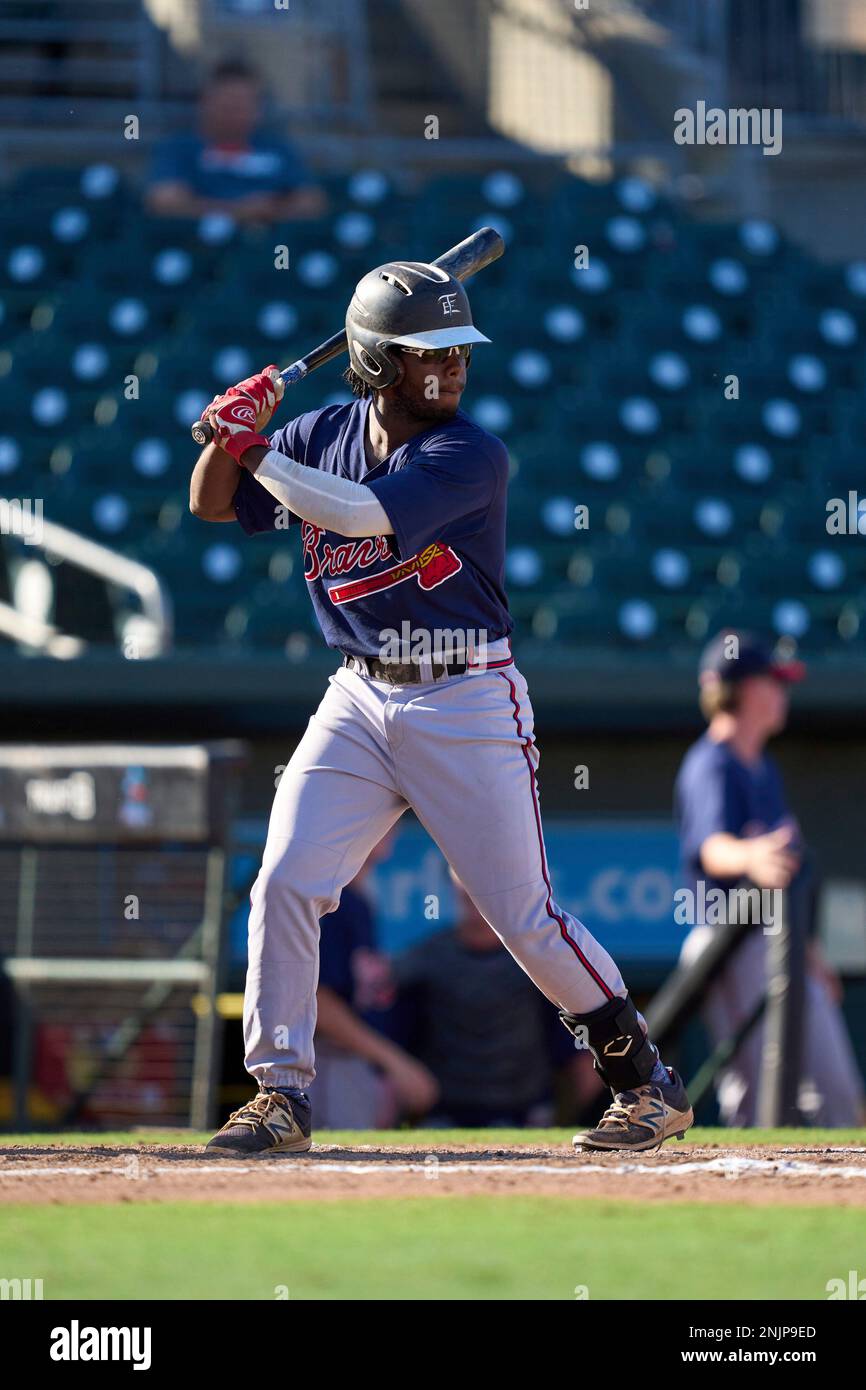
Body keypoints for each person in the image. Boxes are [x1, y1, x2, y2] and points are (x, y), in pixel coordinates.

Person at [190, 256, 693, 1155]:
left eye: (459, 350)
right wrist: (224, 437)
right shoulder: (319, 433)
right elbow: (212, 505)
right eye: (430, 352)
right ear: (377, 361)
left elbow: (355, 517)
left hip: (464, 696)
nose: (453, 367)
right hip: (357, 691)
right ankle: (280, 1093)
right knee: (285, 881)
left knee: (523, 917)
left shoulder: (470, 453)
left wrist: (252, 446)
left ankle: (645, 1083)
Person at [675, 630, 865, 1127]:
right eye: (772, 681)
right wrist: (752, 854)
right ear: (742, 688)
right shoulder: (710, 762)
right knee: (755, 1097)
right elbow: (711, 848)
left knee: (837, 1094)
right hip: (728, 943)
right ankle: (750, 1200)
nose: (782, 693)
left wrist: (811, 951)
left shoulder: (764, 768)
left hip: (780, 941)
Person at [392, 873, 595, 1127]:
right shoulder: (426, 958)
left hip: (524, 1112)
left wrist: (585, 1117)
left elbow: (576, 1051)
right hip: (444, 1113)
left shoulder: (536, 960)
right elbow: (394, 1047)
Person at [313, 837, 439, 1128]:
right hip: (326, 1062)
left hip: (352, 1065)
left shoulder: (359, 899)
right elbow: (319, 1003)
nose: (389, 825)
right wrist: (394, 1062)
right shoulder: (333, 898)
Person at [146, 59, 325, 223]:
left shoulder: (277, 148)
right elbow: (164, 202)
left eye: (243, 105)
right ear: (205, 103)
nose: (235, 114)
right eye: (227, 105)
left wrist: (269, 211)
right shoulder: (179, 148)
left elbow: (311, 201)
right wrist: (235, 211)